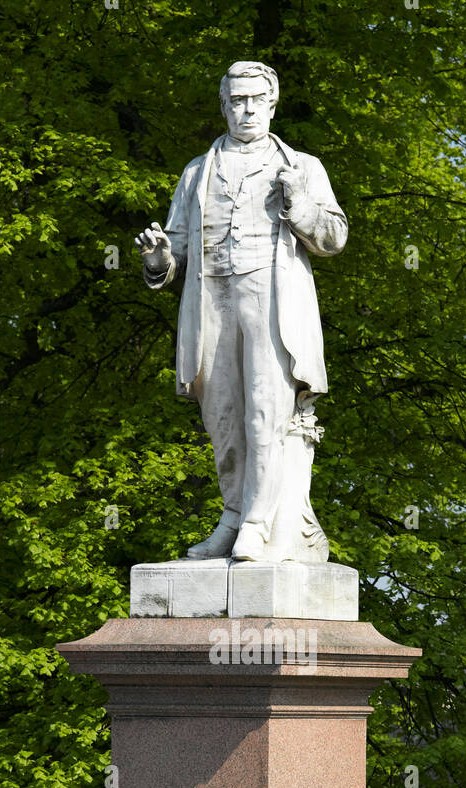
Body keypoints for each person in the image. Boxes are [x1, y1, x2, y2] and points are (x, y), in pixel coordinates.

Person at [135, 61, 347, 562]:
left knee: (264, 413)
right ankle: (232, 516)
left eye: (256, 100)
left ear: (272, 104)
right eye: (237, 100)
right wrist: (158, 256)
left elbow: (334, 236)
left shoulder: (303, 167)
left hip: (271, 298)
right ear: (224, 105)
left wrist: (299, 205)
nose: (247, 109)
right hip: (212, 302)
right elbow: (176, 252)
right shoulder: (196, 171)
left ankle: (257, 522)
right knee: (223, 417)